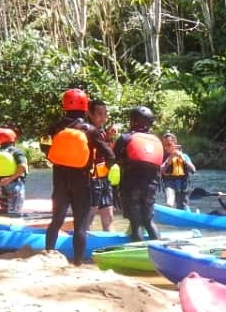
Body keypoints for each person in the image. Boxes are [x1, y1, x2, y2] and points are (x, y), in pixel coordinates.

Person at [42, 88, 114, 266]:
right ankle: (78, 263)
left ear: (64, 105)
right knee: (80, 225)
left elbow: (44, 148)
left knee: (56, 219)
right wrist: (104, 168)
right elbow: (110, 155)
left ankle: (49, 253)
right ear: (85, 106)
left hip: (59, 179)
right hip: (82, 180)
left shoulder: (54, 127)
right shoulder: (90, 130)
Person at [112, 106, 164, 241]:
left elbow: (113, 158)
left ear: (133, 121)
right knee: (148, 221)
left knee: (135, 224)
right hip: (151, 186)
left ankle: (138, 250)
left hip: (132, 185)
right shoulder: (156, 140)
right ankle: (159, 250)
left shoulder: (126, 137)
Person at [84, 99, 116, 231]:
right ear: (89, 114)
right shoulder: (86, 132)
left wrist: (108, 138)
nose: (103, 117)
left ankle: (112, 244)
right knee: (89, 214)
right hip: (91, 180)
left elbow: (109, 154)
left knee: (108, 214)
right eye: (99, 114)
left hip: (104, 179)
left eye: (105, 114)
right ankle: (83, 240)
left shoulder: (103, 132)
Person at [0, 126, 28, 213]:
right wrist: (10, 179)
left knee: (3, 210)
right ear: (13, 138)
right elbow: (23, 167)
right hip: (14, 183)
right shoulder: (17, 152)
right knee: (15, 211)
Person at [160, 133, 197, 209]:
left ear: (175, 144)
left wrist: (182, 157)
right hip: (169, 183)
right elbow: (160, 171)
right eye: (164, 145)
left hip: (183, 184)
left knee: (183, 207)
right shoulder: (163, 157)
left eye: (169, 144)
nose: (166, 147)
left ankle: (185, 216)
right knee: (169, 202)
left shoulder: (184, 156)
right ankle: (168, 212)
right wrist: (170, 158)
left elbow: (193, 170)